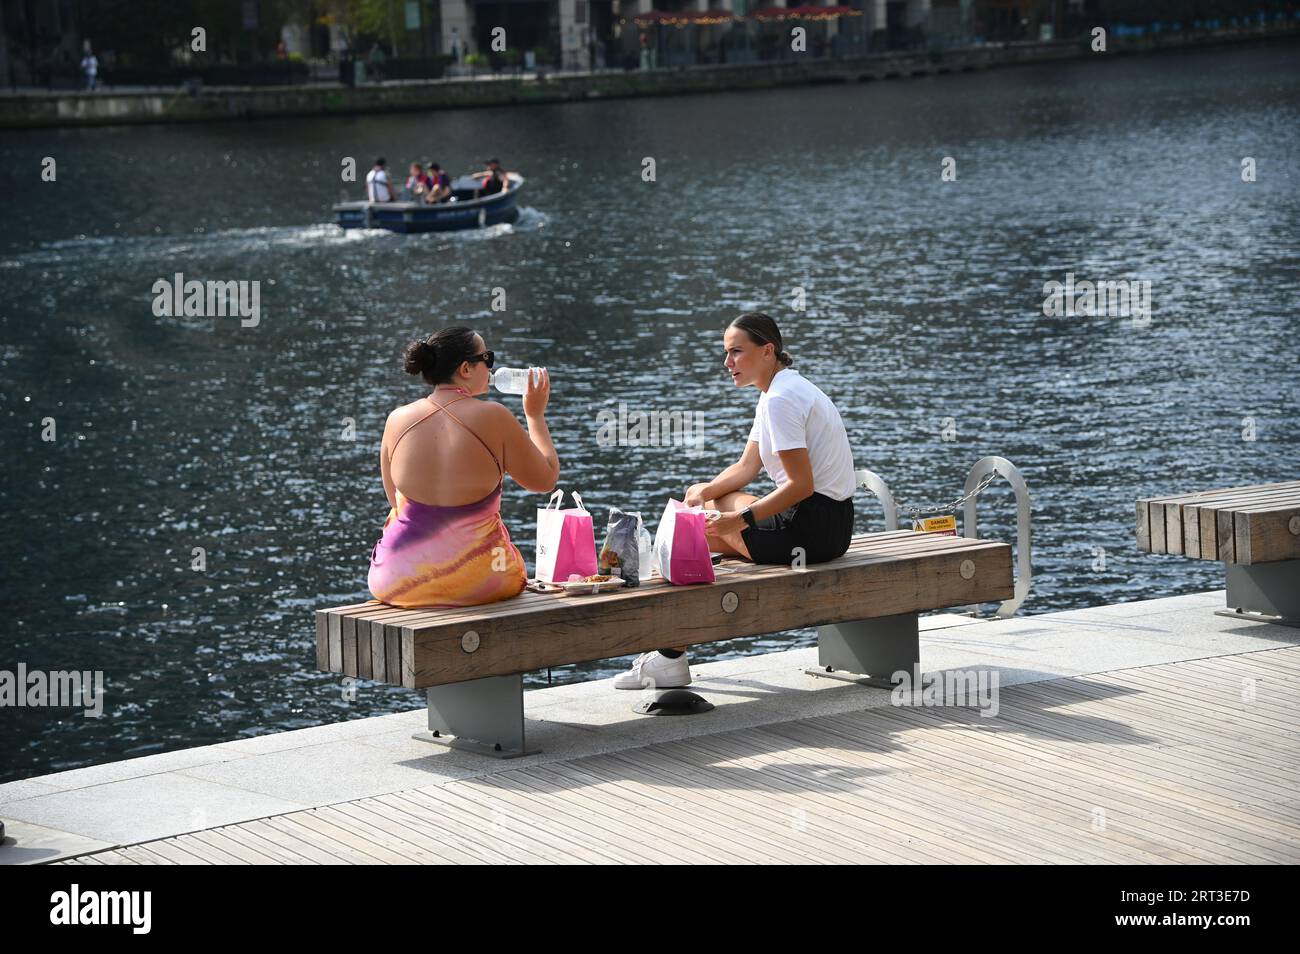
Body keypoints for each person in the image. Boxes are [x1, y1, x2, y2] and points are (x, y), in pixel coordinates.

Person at [614, 312, 857, 690]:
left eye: (736, 353)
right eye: (726, 353)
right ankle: (668, 654)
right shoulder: (779, 392)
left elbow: (801, 485)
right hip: (832, 523)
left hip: (811, 533)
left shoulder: (781, 400)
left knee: (686, 542)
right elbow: (746, 467)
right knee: (705, 509)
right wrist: (703, 492)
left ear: (767, 351)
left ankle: (668, 657)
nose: (727, 363)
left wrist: (739, 521)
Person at [368, 328, 558, 608]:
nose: (492, 367)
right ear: (466, 368)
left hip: (396, 581)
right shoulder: (494, 416)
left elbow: (393, 499)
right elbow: (545, 479)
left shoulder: (396, 419)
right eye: (487, 358)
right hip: (483, 580)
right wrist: (535, 416)